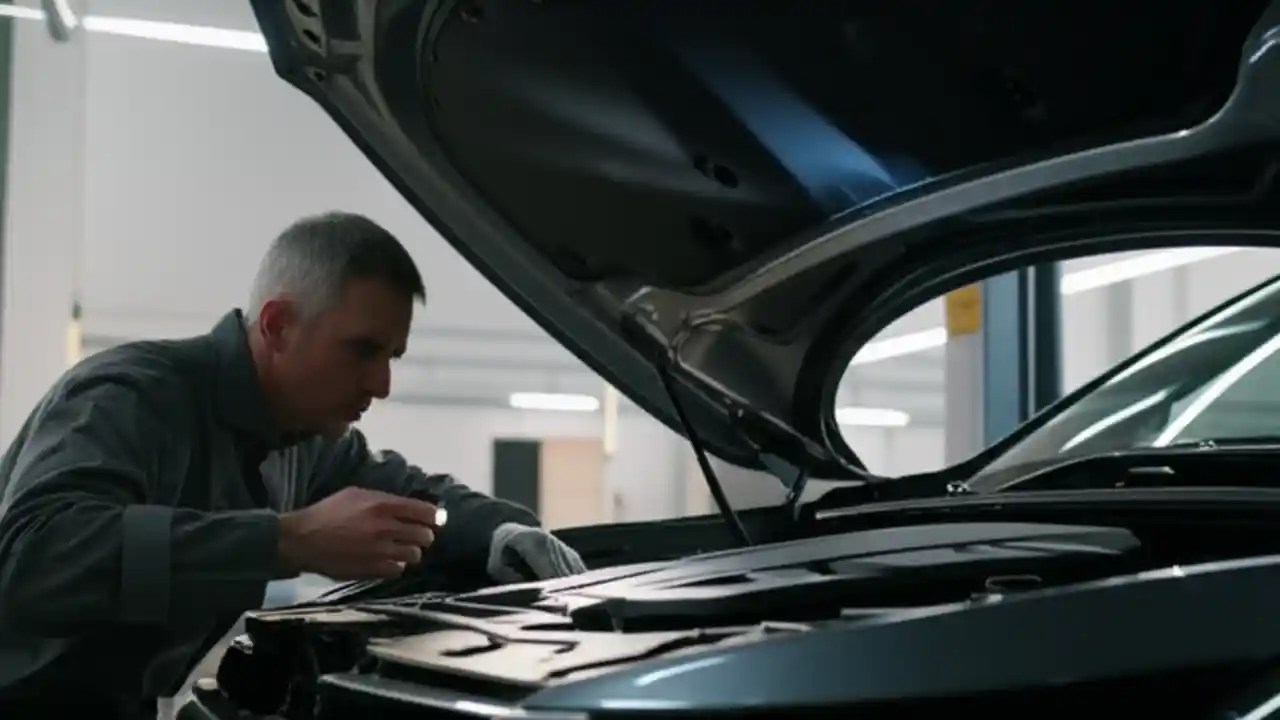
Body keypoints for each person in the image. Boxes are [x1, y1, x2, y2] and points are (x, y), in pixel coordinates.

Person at [0, 211, 587, 716]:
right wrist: (286, 540)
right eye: (362, 350)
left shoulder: (304, 439)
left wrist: (502, 532)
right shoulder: (129, 397)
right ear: (278, 325)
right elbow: (32, 556)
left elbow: (413, 499)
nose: (382, 383)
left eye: (393, 356)